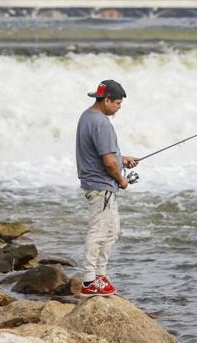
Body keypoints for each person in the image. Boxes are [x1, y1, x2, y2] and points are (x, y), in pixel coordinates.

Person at [75, 78, 138, 296]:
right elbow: (109, 162)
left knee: (111, 231)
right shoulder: (101, 122)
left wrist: (123, 158)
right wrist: (122, 180)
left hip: (99, 186)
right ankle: (89, 281)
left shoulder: (87, 116)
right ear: (107, 100)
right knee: (99, 231)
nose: (119, 108)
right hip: (101, 186)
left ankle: (99, 276)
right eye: (118, 104)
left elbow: (107, 155)